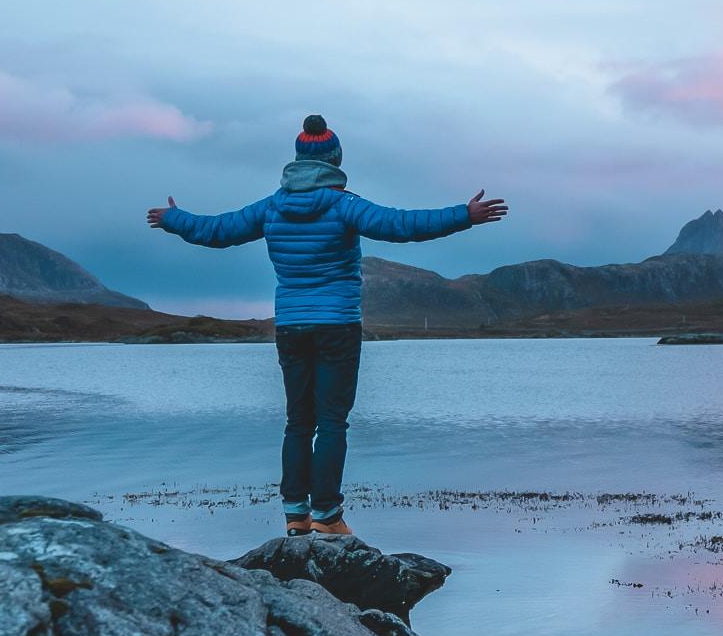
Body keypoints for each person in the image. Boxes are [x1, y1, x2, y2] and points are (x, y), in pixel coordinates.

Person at [149, 115, 505, 536]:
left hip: (291, 328)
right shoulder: (344, 205)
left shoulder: (271, 206)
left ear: (298, 159)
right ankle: (327, 517)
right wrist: (465, 214)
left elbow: (217, 230)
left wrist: (174, 220)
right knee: (332, 422)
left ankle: (295, 516)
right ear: (335, 159)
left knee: (298, 422)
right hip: (337, 325)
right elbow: (403, 225)